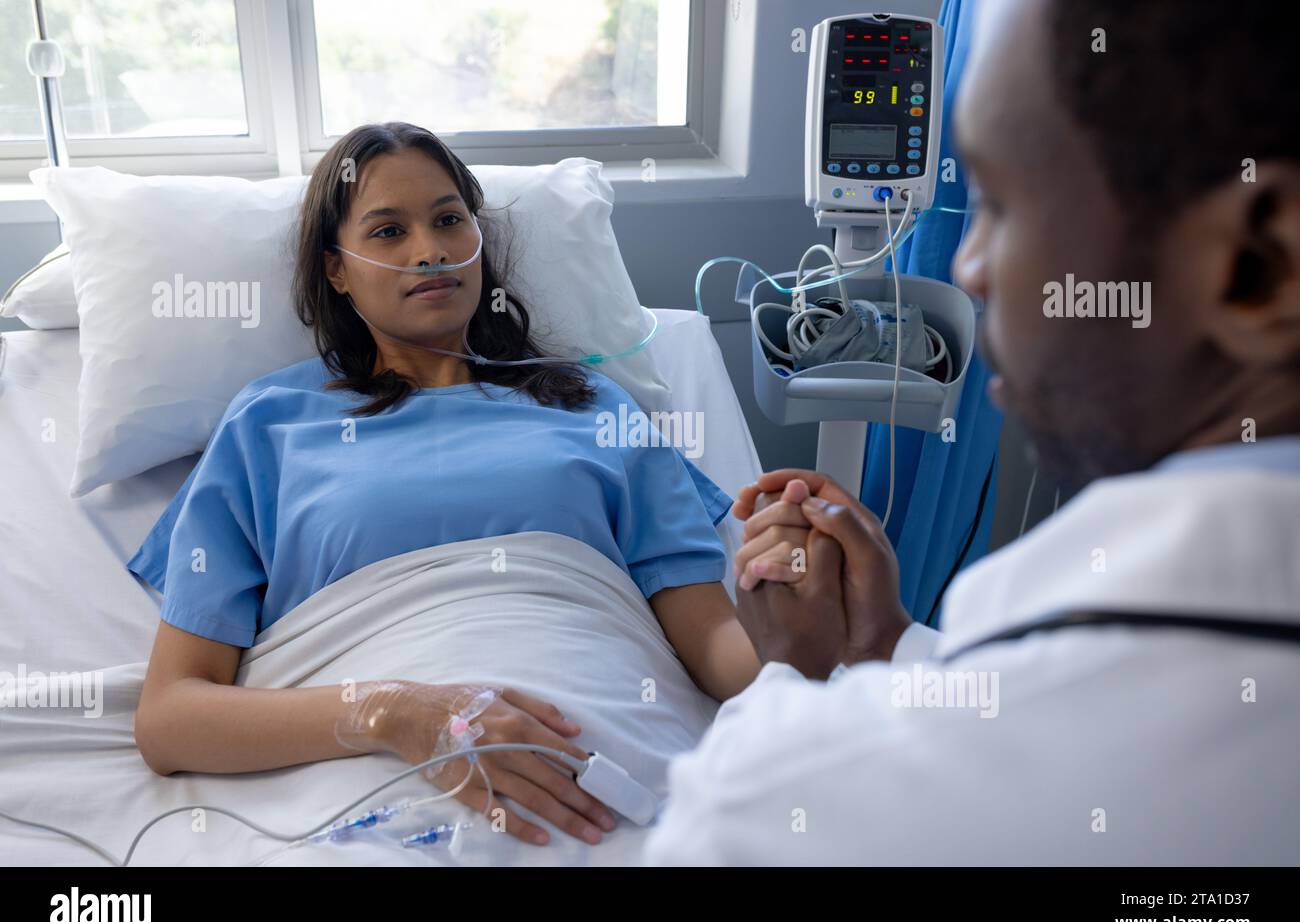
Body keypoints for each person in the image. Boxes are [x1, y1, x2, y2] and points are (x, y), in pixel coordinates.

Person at [644, 0, 1300, 865]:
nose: (968, 267)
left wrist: (789, 672)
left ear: (1258, 267)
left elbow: (744, 817)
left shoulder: (788, 798)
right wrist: (888, 645)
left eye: (996, 200)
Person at [128, 122, 759, 850]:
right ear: (337, 268)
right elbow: (170, 718)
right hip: (376, 778)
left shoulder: (589, 403)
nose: (429, 250)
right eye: (389, 230)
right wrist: (397, 712)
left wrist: (801, 629)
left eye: (449, 220)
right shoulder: (269, 423)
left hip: (607, 761)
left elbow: (712, 644)